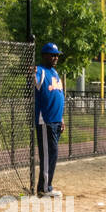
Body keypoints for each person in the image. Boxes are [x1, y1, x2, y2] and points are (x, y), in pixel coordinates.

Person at [34, 42, 65, 197]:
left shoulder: (55, 73)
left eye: (57, 55)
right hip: (45, 121)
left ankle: (46, 186)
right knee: (48, 155)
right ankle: (44, 188)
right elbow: (34, 77)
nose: (55, 57)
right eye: (52, 54)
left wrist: (62, 118)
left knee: (52, 154)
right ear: (44, 55)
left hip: (56, 121)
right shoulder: (41, 71)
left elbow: (58, 96)